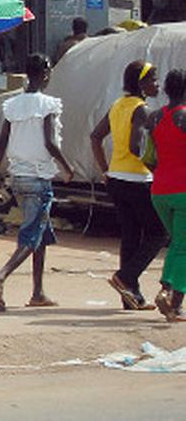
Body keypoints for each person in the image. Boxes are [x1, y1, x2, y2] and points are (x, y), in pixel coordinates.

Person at [0, 54, 73, 311]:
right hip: (38, 178)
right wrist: (67, 166)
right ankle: (1, 276)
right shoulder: (48, 104)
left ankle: (38, 292)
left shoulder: (12, 105)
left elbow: (1, 144)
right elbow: (50, 143)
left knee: (41, 235)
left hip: (18, 177)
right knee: (32, 236)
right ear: (44, 73)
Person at [91, 60, 168, 310]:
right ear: (141, 83)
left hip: (116, 179)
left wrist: (105, 170)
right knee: (159, 233)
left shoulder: (118, 105)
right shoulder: (141, 109)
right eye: (153, 79)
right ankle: (125, 278)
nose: (157, 84)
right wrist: (157, 167)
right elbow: (137, 147)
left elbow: (96, 136)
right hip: (137, 180)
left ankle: (129, 296)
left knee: (131, 236)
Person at [146, 69, 186, 321]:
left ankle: (169, 292)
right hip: (183, 190)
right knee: (183, 246)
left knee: (178, 242)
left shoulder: (154, 117)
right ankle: (170, 296)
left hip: (159, 190)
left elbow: (148, 157)